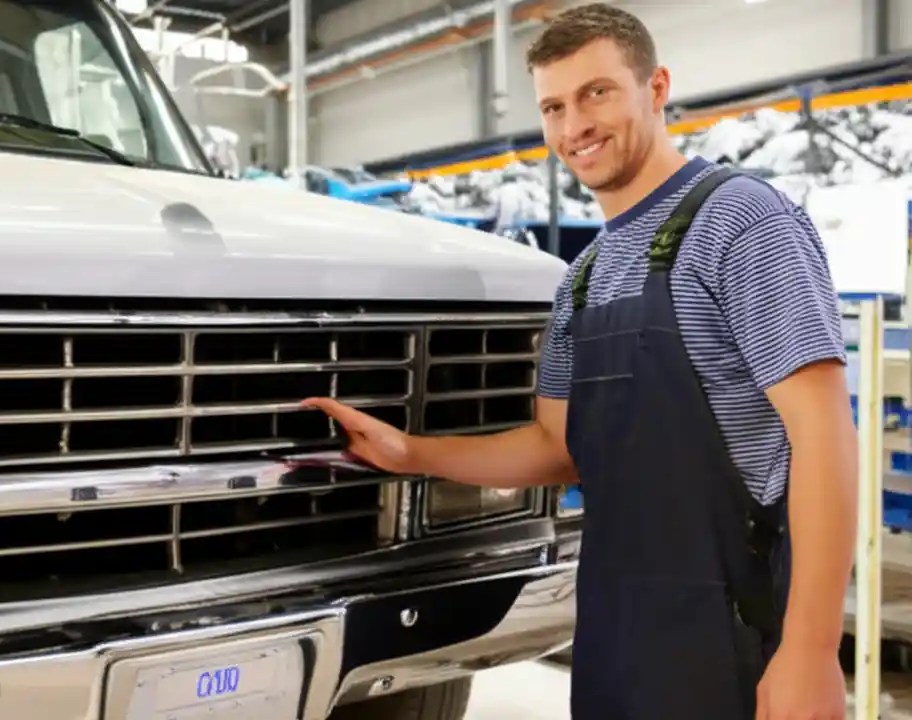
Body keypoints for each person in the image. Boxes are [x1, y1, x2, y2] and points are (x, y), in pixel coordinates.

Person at [302, 4, 856, 719]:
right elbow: (555, 447)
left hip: (735, 634)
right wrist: (412, 452)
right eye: (554, 106)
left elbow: (823, 435)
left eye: (597, 92)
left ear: (655, 88)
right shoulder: (584, 277)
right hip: (615, 638)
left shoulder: (740, 221)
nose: (575, 126)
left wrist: (809, 650)